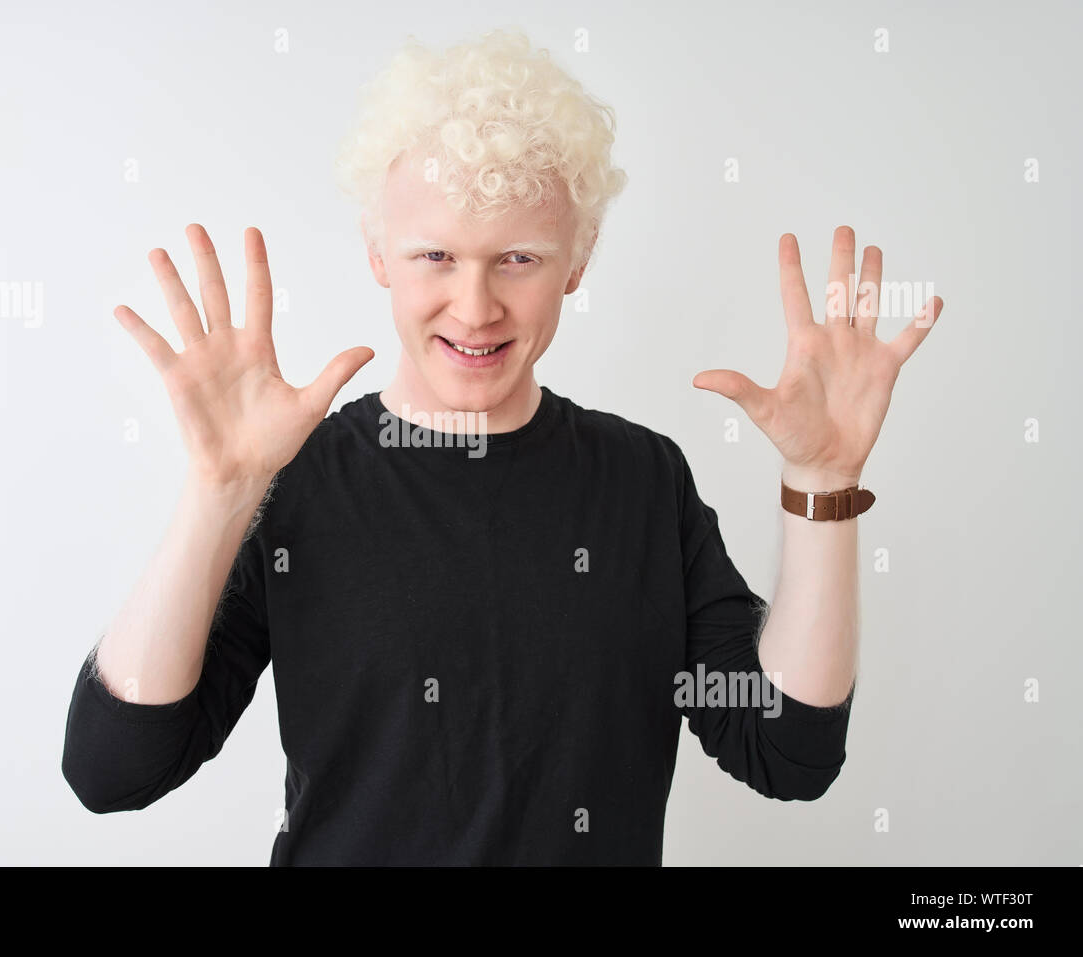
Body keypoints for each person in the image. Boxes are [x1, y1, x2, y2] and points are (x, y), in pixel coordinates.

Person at [60, 29, 942, 865]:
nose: (476, 306)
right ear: (378, 253)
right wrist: (220, 489)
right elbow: (114, 769)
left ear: (579, 260)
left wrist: (822, 483)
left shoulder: (643, 481)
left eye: (517, 258)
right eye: (435, 255)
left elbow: (787, 748)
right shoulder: (298, 481)